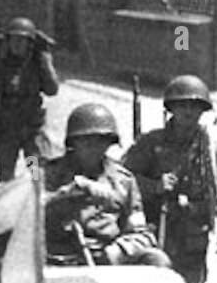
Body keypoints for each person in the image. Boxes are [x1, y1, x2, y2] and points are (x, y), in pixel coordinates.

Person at [122, 75, 217, 283]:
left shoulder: (210, 148)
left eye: (195, 106)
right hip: (158, 228)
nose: (189, 112)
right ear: (171, 109)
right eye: (182, 106)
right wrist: (155, 186)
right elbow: (123, 181)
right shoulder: (151, 143)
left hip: (194, 233)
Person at [43, 104, 170, 268]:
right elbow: (26, 200)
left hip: (106, 258)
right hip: (56, 257)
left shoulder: (124, 180)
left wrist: (117, 251)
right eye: (86, 141)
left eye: (101, 141)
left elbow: (140, 233)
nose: (94, 147)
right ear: (73, 142)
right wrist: (61, 194)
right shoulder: (46, 172)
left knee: (157, 259)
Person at [0, 16, 59, 181]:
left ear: (29, 43)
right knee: (5, 171)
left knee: (35, 169)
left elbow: (52, 89)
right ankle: (5, 203)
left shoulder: (37, 65)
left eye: (22, 41)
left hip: (30, 127)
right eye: (14, 40)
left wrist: (46, 59)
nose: (17, 45)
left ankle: (36, 200)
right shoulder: (0, 66)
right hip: (8, 127)